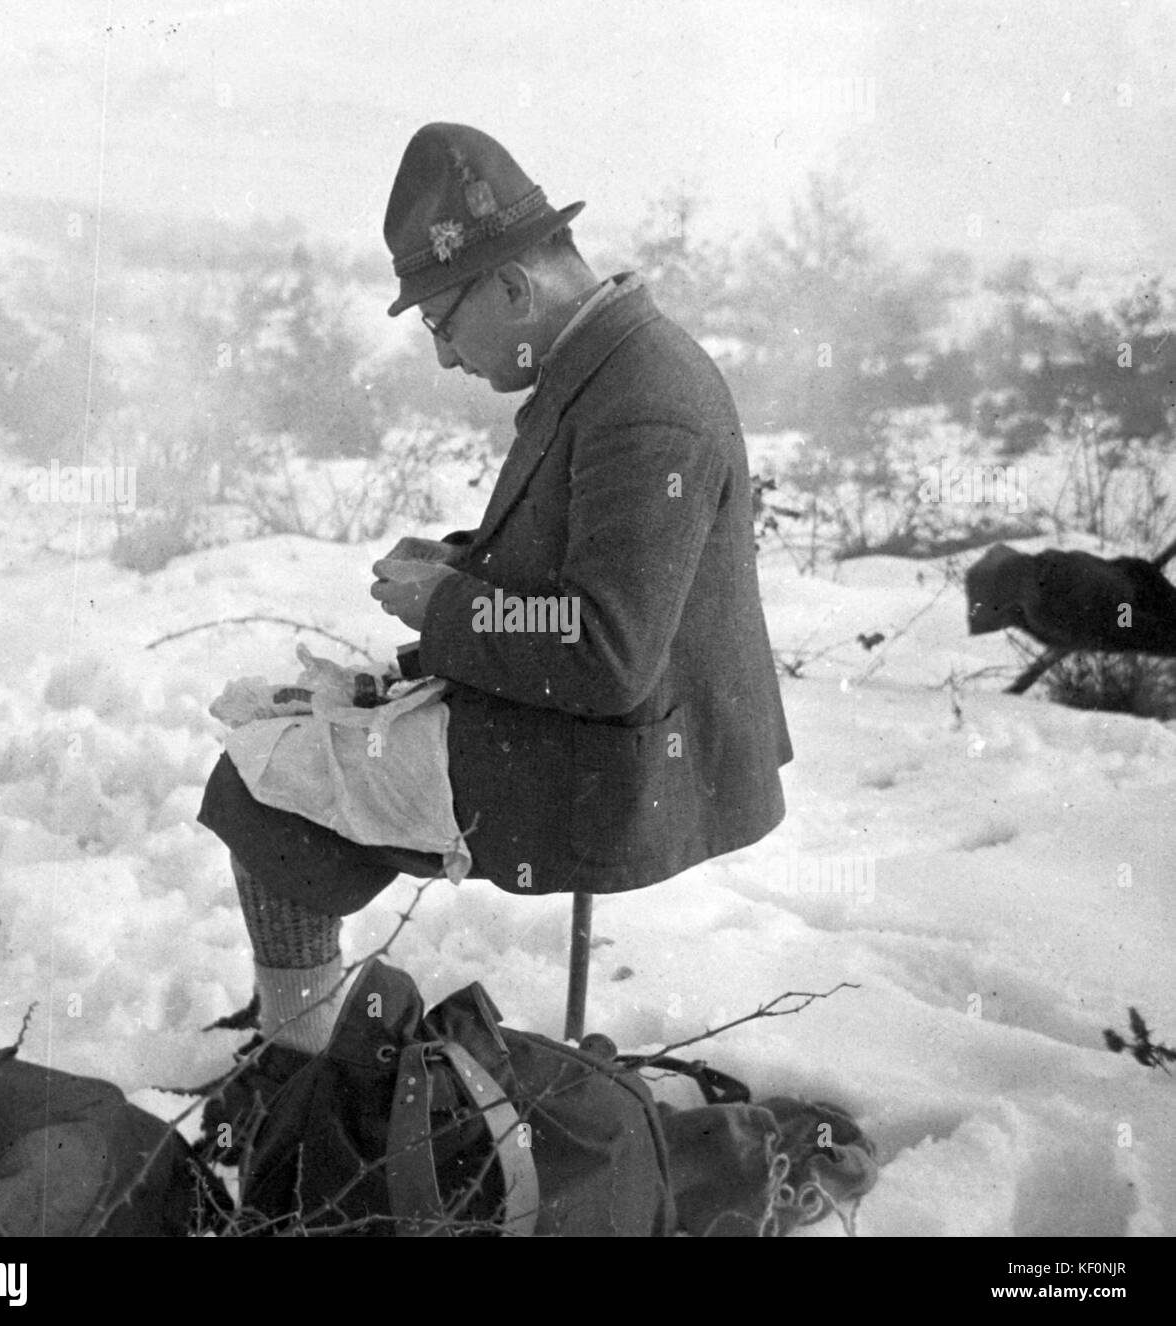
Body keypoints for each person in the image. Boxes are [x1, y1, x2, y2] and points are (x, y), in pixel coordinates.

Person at [195, 123, 793, 1126]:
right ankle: (294, 1031)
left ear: (513, 290)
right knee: (291, 734)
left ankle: (293, 1066)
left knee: (263, 777)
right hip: (611, 738)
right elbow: (587, 563)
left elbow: (607, 652)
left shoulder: (644, 400)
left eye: (440, 319)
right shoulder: (608, 365)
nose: (440, 354)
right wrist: (466, 567)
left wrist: (447, 608)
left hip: (616, 769)